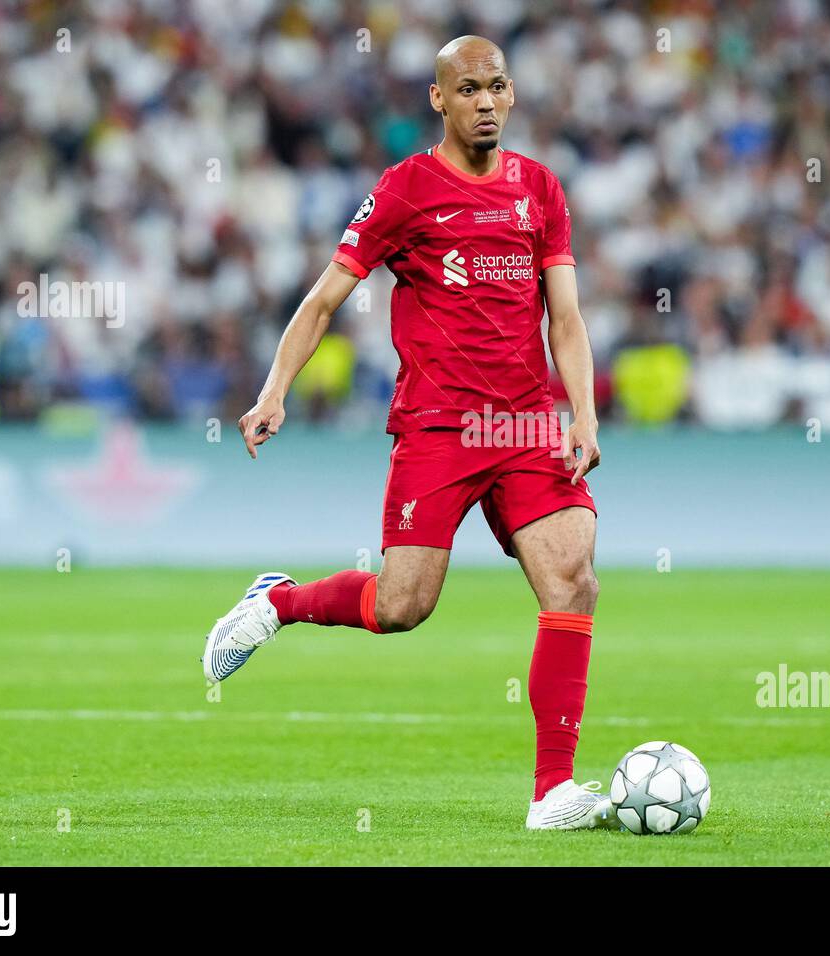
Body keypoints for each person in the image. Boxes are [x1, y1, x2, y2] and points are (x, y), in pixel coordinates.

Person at [202, 36, 608, 830]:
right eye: (467, 89)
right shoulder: (405, 190)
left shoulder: (540, 191)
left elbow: (566, 315)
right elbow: (324, 300)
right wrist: (274, 391)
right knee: (402, 607)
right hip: (439, 427)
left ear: (512, 95)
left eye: (496, 87)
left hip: (527, 424)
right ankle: (277, 603)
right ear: (439, 100)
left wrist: (583, 413)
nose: (485, 102)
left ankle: (553, 792)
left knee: (574, 579)